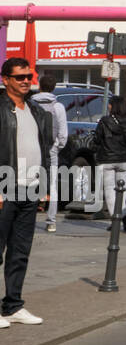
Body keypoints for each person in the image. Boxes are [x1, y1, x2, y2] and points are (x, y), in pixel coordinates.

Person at [0, 58, 52, 326]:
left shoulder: (36, 110)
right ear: (5, 79)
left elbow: (45, 151)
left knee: (20, 251)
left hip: (29, 190)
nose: (25, 81)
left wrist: (45, 187)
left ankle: (13, 306)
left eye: (28, 76)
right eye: (19, 77)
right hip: (4, 188)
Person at [92, 96, 126, 222]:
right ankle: (124, 216)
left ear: (113, 106)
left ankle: (115, 220)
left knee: (109, 190)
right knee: (122, 189)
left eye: (110, 104)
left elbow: (96, 140)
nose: (108, 106)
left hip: (106, 160)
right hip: (124, 161)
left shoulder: (104, 121)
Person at [30, 75, 67, 234]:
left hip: (31, 148)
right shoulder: (58, 107)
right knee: (52, 184)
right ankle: (51, 221)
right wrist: (57, 147)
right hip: (51, 149)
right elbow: (63, 134)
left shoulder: (29, 104)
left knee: (29, 182)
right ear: (53, 88)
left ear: (39, 86)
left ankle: (28, 219)